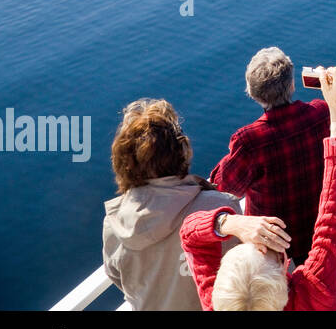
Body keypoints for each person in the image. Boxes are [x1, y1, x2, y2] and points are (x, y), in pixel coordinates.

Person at [180, 67, 336, 310]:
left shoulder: (218, 304)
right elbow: (334, 212)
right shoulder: (314, 290)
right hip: (310, 226)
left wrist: (233, 224)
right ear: (285, 271)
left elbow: (216, 192)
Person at [102, 99, 241, 311]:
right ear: (182, 151)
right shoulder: (221, 208)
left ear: (123, 162)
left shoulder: (114, 225)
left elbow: (117, 277)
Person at [209, 47, 330, 265]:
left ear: (252, 93)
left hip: (272, 240)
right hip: (315, 226)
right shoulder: (321, 113)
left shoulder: (249, 140)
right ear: (292, 85)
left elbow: (224, 187)